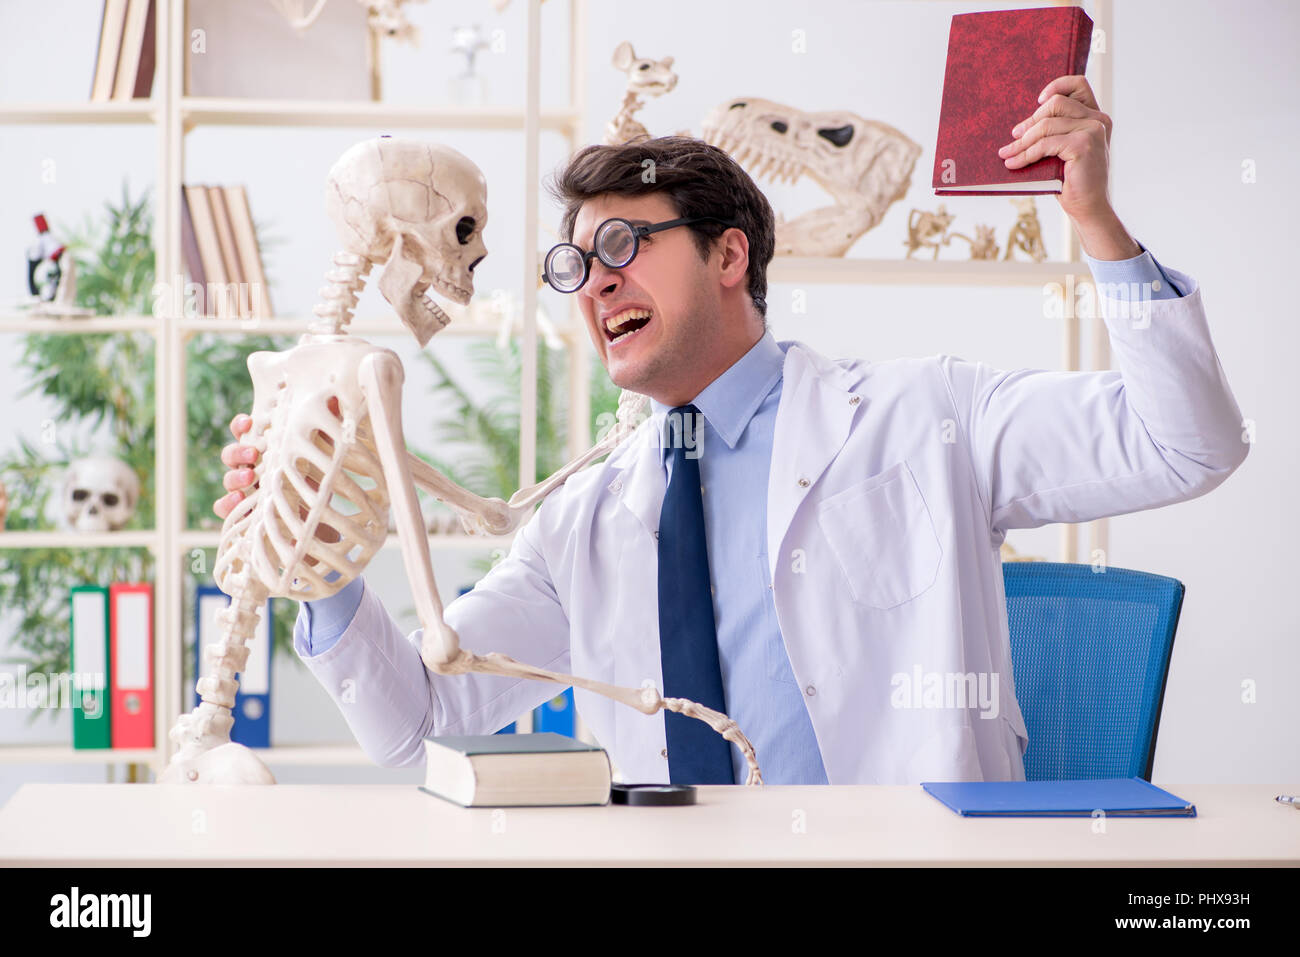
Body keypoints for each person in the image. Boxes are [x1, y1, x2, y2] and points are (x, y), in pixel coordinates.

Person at [215, 77, 1248, 785]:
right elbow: (420, 724)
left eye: (622, 242)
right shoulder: (585, 512)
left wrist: (1098, 230)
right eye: (574, 265)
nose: (594, 282)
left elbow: (1184, 443)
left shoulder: (923, 415)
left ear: (727, 256)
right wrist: (321, 566)